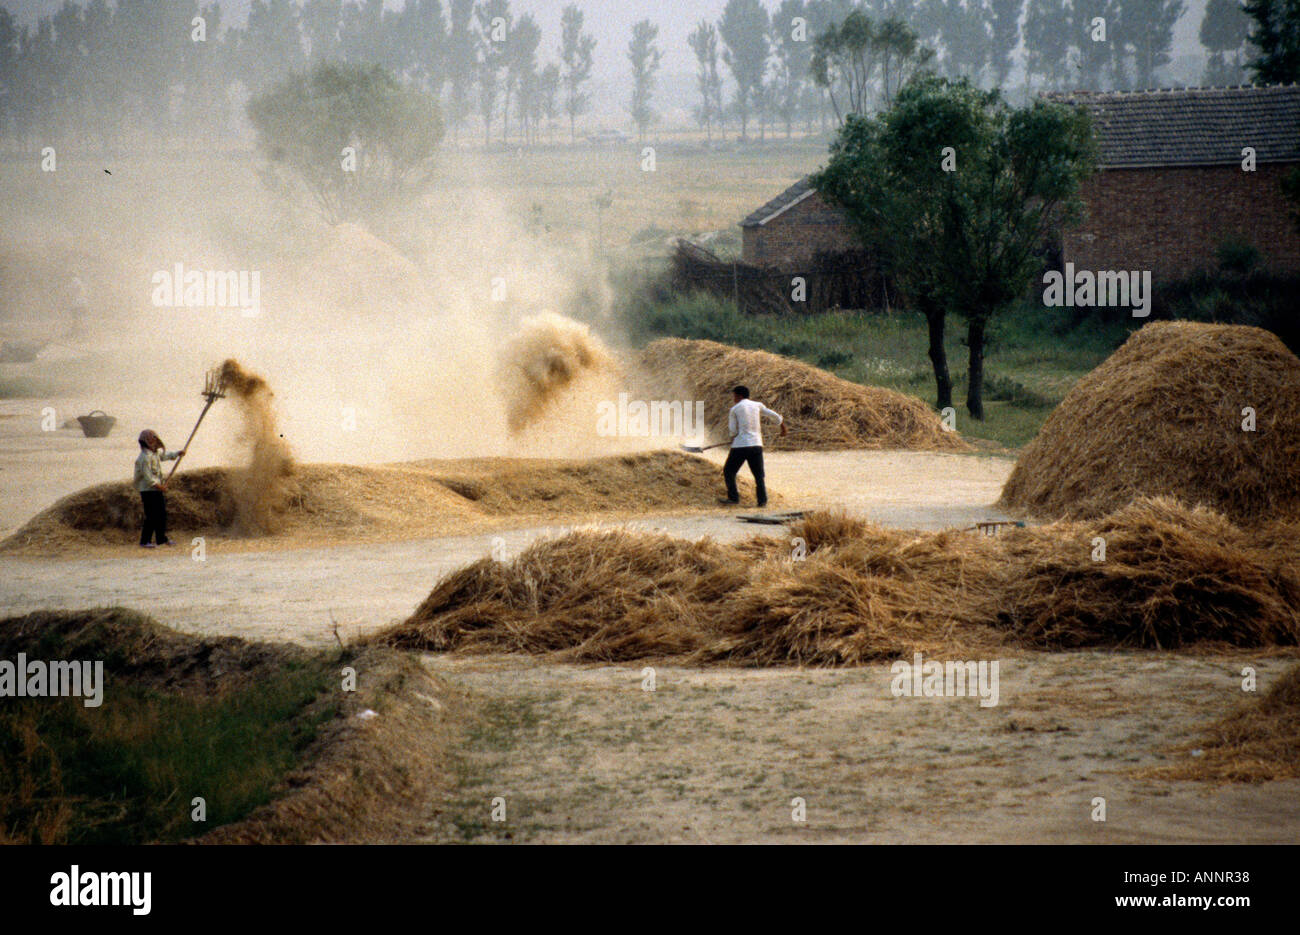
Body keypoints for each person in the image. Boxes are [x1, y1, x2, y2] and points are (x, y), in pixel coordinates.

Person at [720, 385, 785, 508]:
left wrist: (732, 437)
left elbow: (733, 431)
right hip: (756, 445)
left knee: (729, 471)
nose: (733, 398)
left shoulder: (735, 409)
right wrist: (782, 428)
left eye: (734, 396)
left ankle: (733, 498)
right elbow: (775, 416)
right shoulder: (757, 405)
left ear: (739, 396)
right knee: (759, 475)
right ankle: (762, 501)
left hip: (740, 446)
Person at [134, 430, 184, 548]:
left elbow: (164, 456)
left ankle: (161, 539)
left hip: (156, 490)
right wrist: (160, 486)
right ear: (146, 441)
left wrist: (177, 454)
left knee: (161, 515)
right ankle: (144, 541)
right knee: (151, 515)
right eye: (153, 439)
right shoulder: (144, 458)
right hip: (148, 490)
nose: (155, 441)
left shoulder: (154, 454)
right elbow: (148, 478)